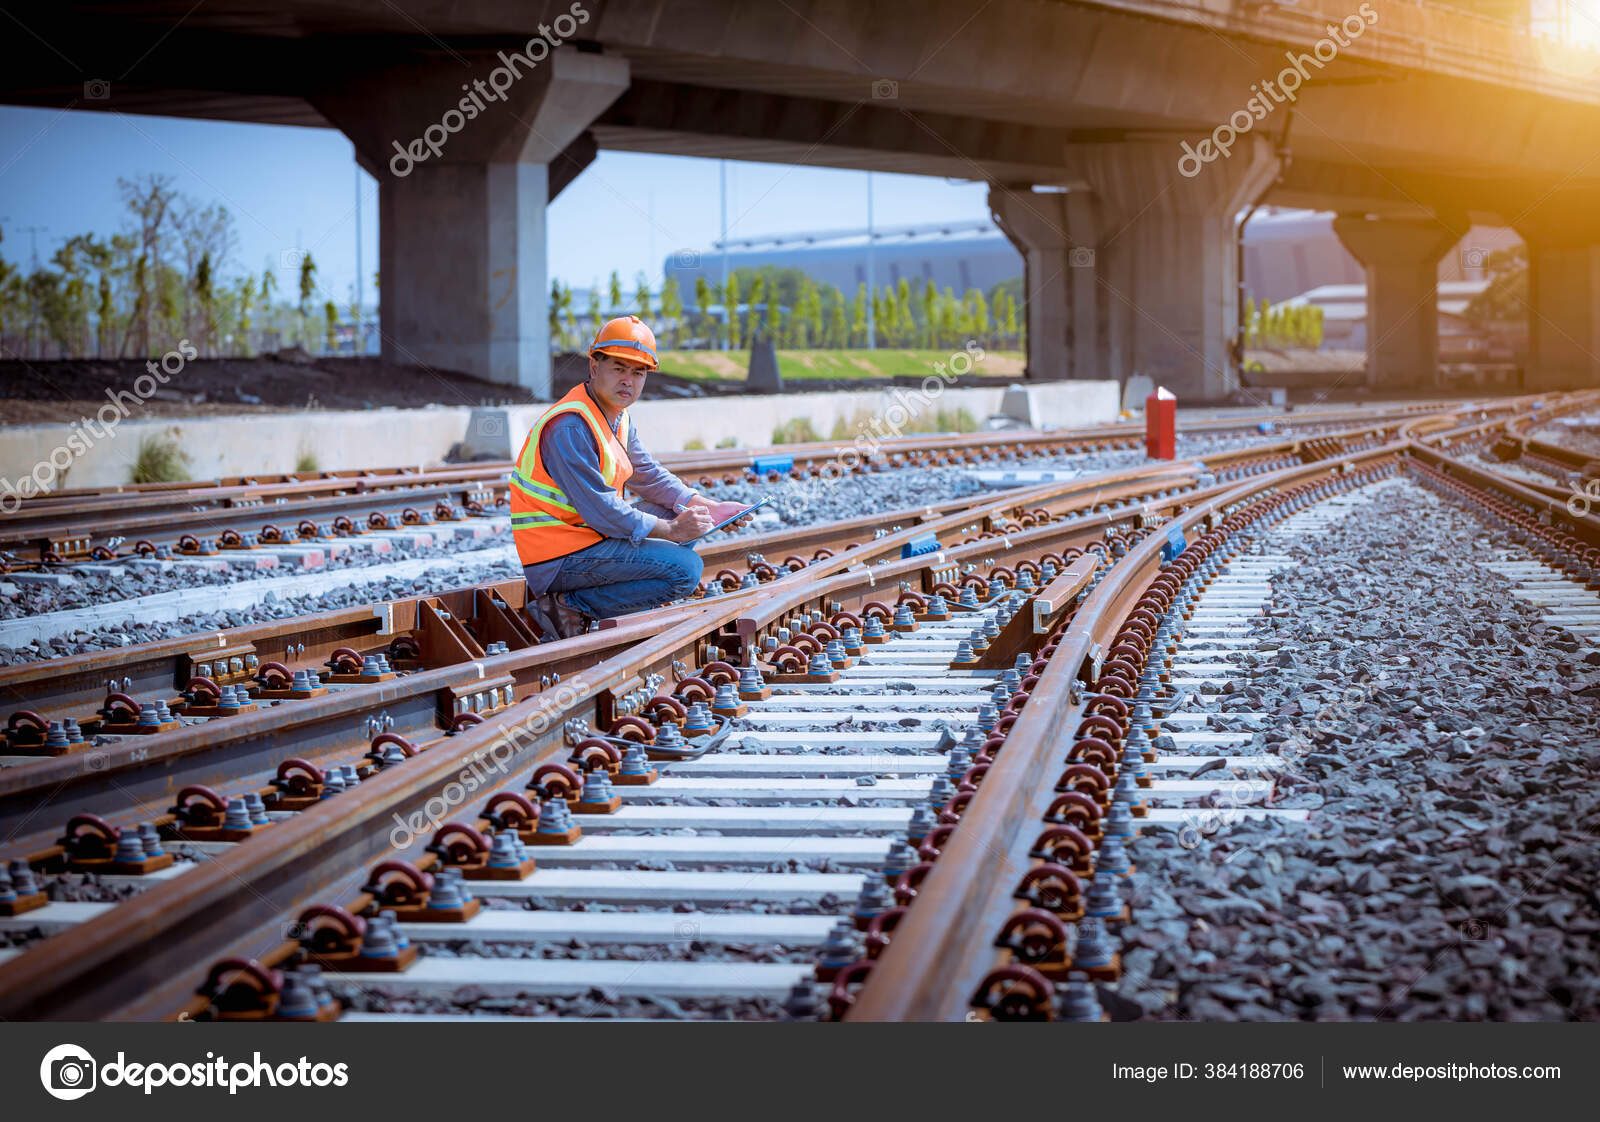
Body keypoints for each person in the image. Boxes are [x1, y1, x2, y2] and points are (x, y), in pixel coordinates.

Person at [512, 314, 755, 640]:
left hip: (589, 539)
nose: (628, 380)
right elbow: (602, 511)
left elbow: (649, 476)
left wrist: (708, 506)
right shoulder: (570, 426)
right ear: (595, 367)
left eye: (638, 373)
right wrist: (670, 531)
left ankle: (614, 599)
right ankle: (569, 605)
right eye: (619, 369)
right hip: (559, 557)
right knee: (685, 571)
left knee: (684, 514)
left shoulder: (617, 417)